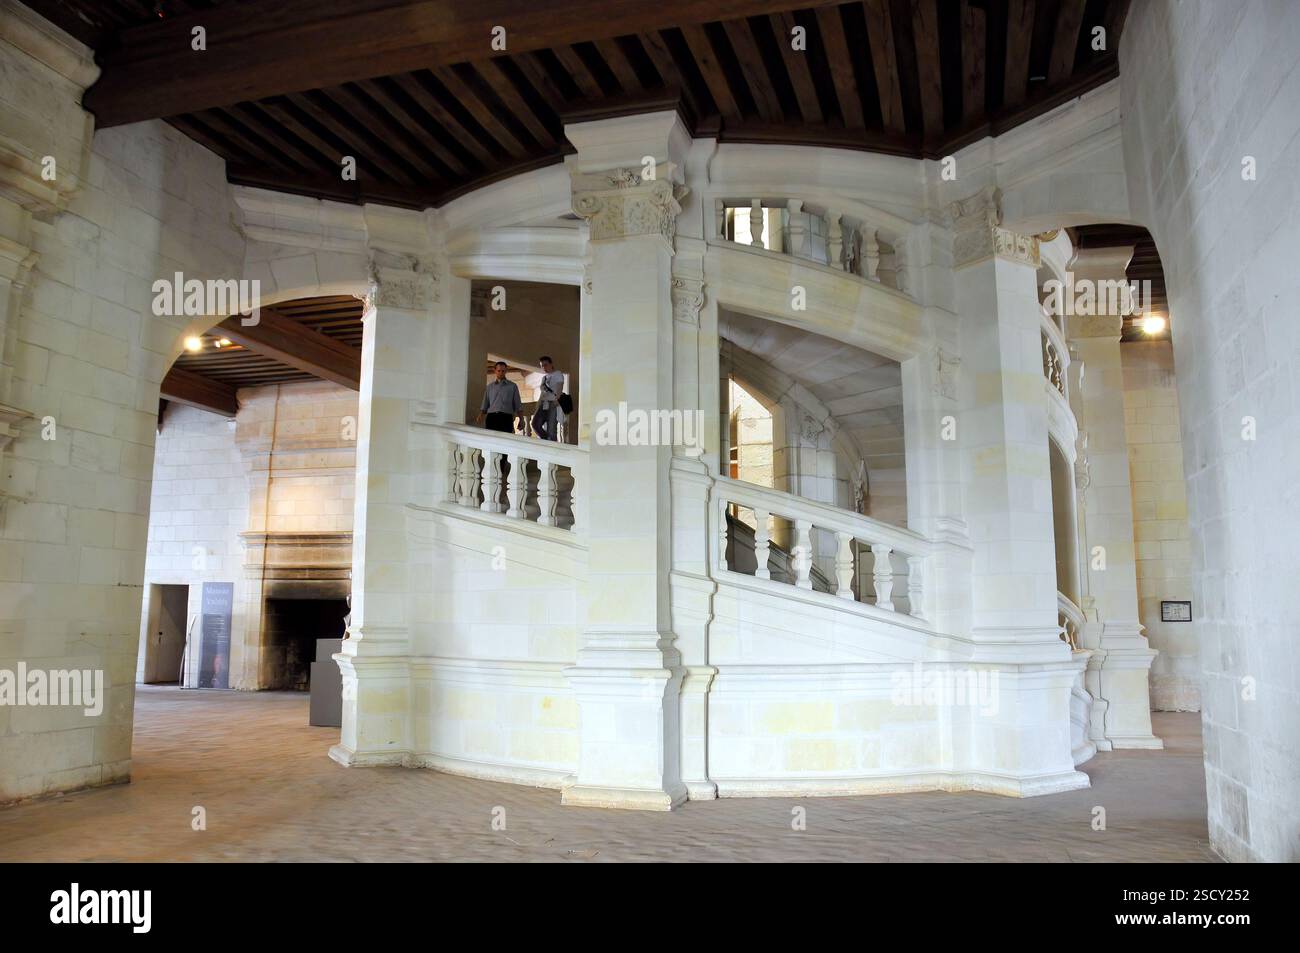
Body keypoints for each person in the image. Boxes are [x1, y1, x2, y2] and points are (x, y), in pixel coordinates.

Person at [476, 361, 522, 433]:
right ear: (495, 371)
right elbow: (485, 403)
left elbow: (518, 404)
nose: (501, 373)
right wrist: (480, 415)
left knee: (505, 440)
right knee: (491, 440)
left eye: (503, 371)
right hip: (492, 417)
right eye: (499, 371)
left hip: (506, 417)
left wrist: (521, 420)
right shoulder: (490, 387)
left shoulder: (512, 386)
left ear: (506, 371)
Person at [532, 355, 565, 441]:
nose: (544, 367)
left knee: (551, 429)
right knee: (535, 424)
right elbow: (542, 393)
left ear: (551, 364)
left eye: (545, 365)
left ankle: (551, 444)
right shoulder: (544, 378)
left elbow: (559, 388)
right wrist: (538, 404)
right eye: (542, 366)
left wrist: (556, 401)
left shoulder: (558, 374)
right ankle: (547, 441)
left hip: (552, 403)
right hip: (543, 403)